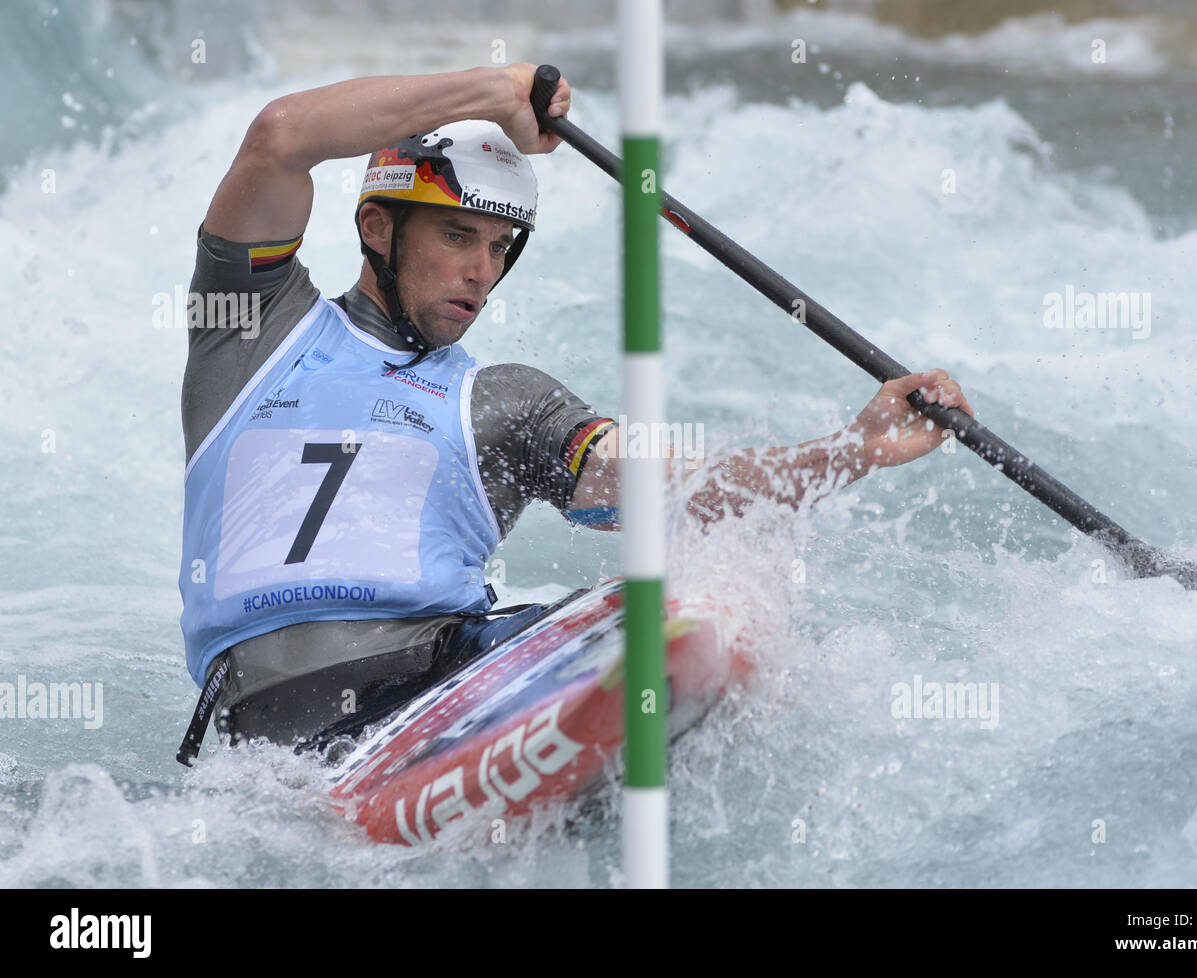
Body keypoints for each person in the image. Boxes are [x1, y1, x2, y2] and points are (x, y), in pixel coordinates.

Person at [175, 63, 973, 762]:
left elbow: (674, 489)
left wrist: (851, 450)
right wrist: (494, 92)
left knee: (677, 592)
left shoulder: (504, 400)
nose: (481, 272)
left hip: (445, 684)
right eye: (458, 236)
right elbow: (280, 137)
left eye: (500, 248)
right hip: (273, 725)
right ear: (377, 226)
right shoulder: (251, 330)